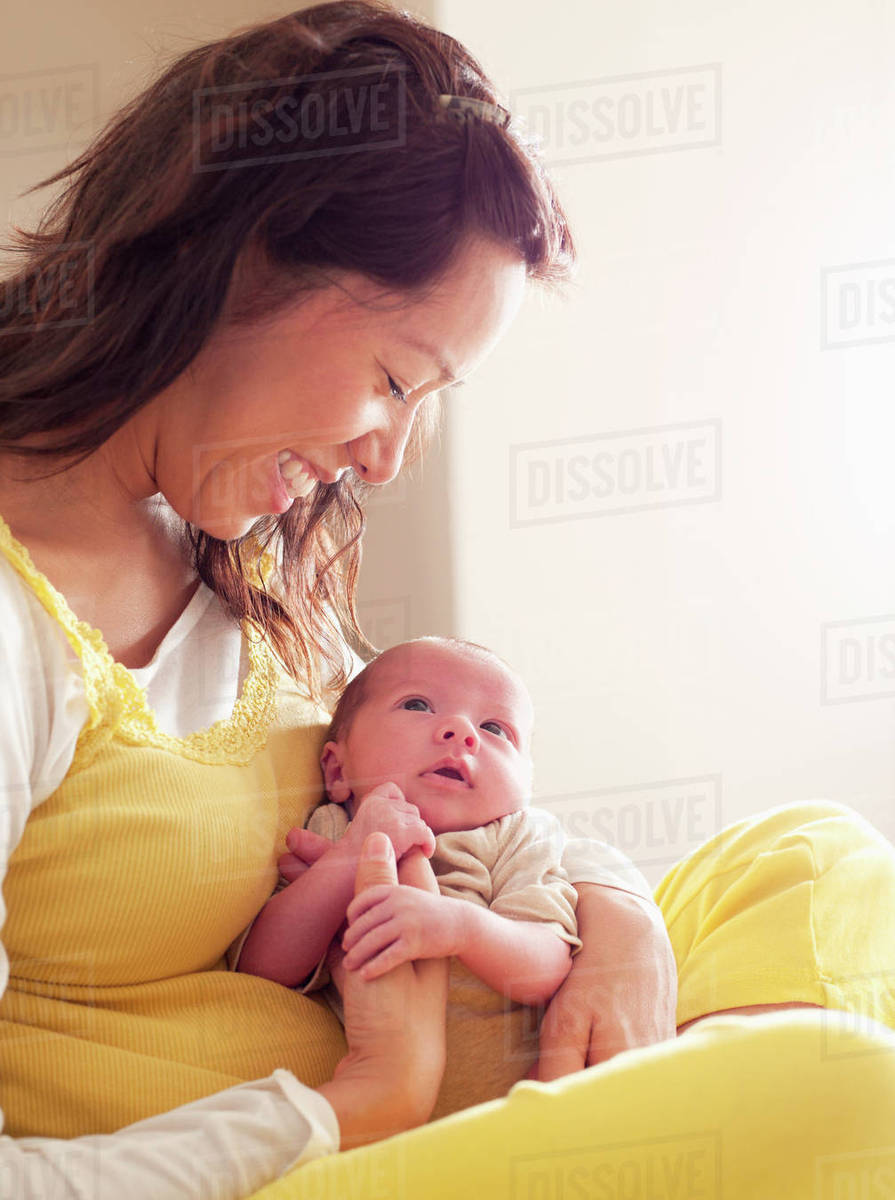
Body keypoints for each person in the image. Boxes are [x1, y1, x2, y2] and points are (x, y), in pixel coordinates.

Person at [0, 3, 893, 1198]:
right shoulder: (21, 625)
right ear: (243, 252)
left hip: (440, 1082)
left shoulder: (230, 551)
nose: (383, 460)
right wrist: (356, 1099)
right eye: (392, 378)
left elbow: (477, 811)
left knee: (817, 859)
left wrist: (618, 925)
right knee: (838, 1089)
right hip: (300, 1152)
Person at [233, 636, 584, 1116]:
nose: (462, 732)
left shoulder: (518, 836)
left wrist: (460, 926)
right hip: (381, 1118)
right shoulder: (338, 829)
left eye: (495, 728)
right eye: (418, 705)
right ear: (337, 770)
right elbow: (264, 966)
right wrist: (347, 862)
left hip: (515, 1111)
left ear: (526, 784)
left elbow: (546, 965)